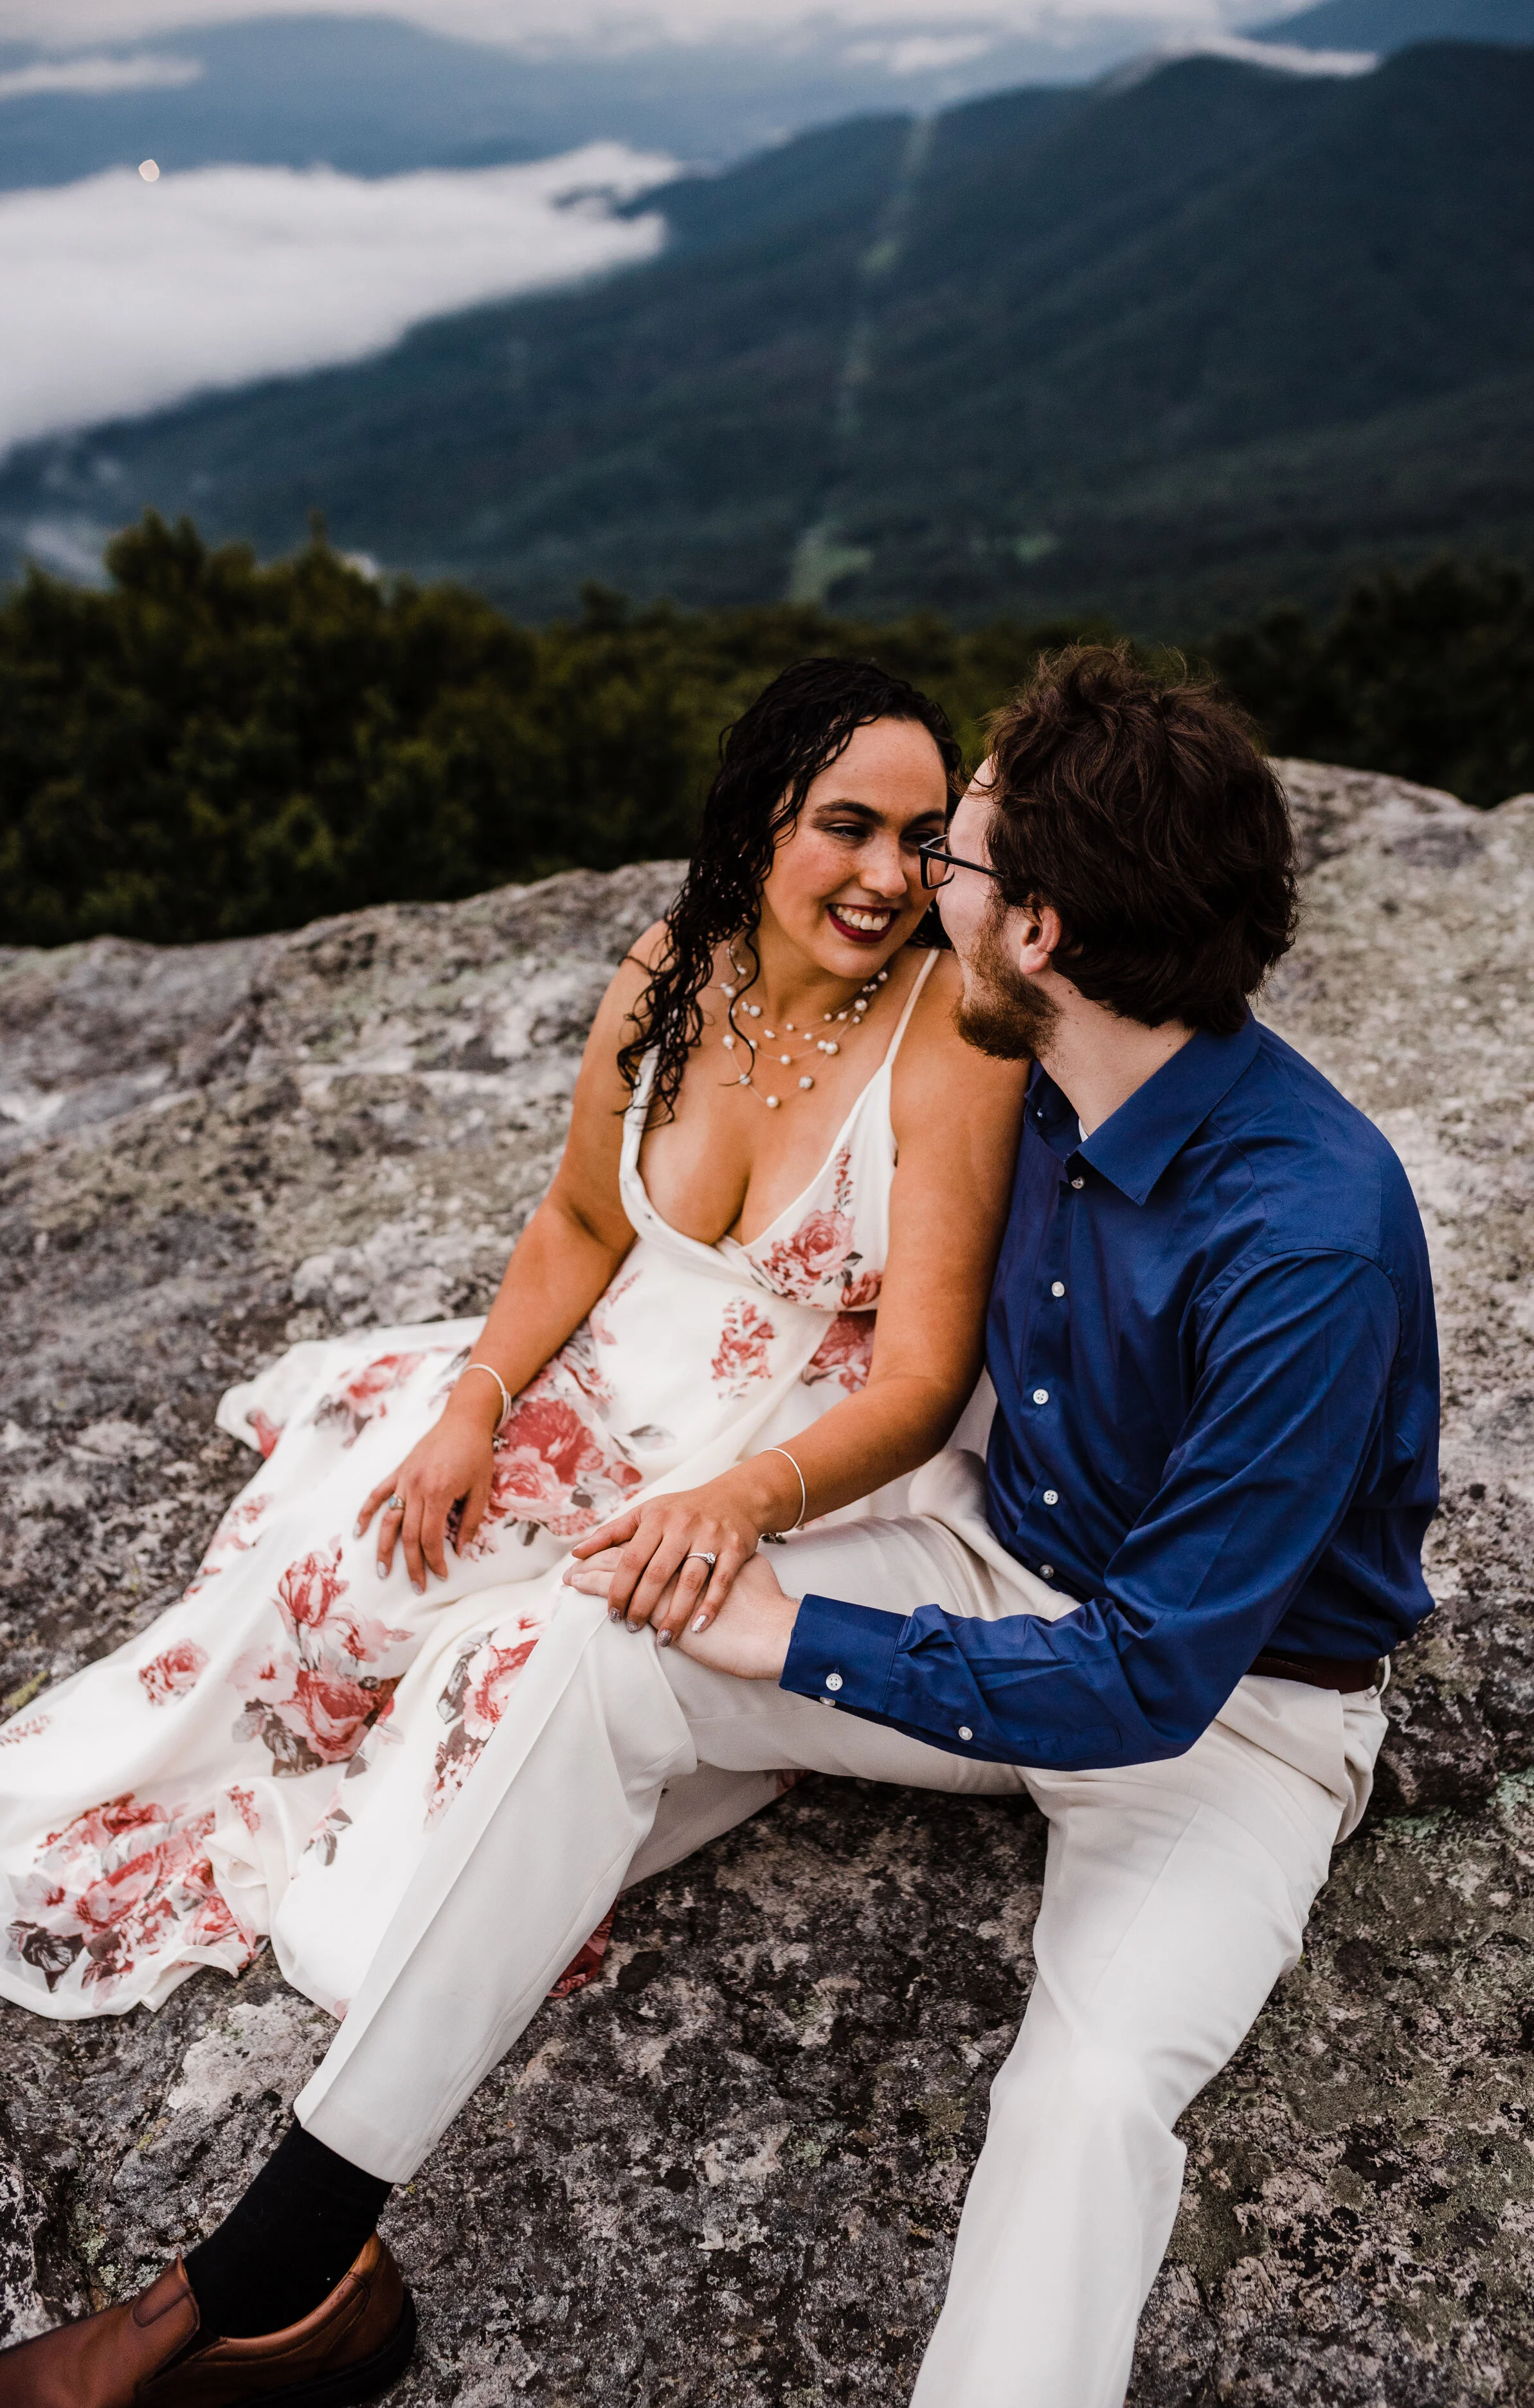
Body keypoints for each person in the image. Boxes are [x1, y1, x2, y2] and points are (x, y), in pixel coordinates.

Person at [0, 646, 1439, 2408]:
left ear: (1041, 932)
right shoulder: (1047, 1061)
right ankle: (281, 2273)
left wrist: (790, 1630)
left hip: (1226, 1721)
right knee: (589, 1639)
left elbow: (1148, 1680)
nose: (918, 883)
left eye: (957, 853)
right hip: (993, 1571)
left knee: (1085, 2100)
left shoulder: (1307, 1243)